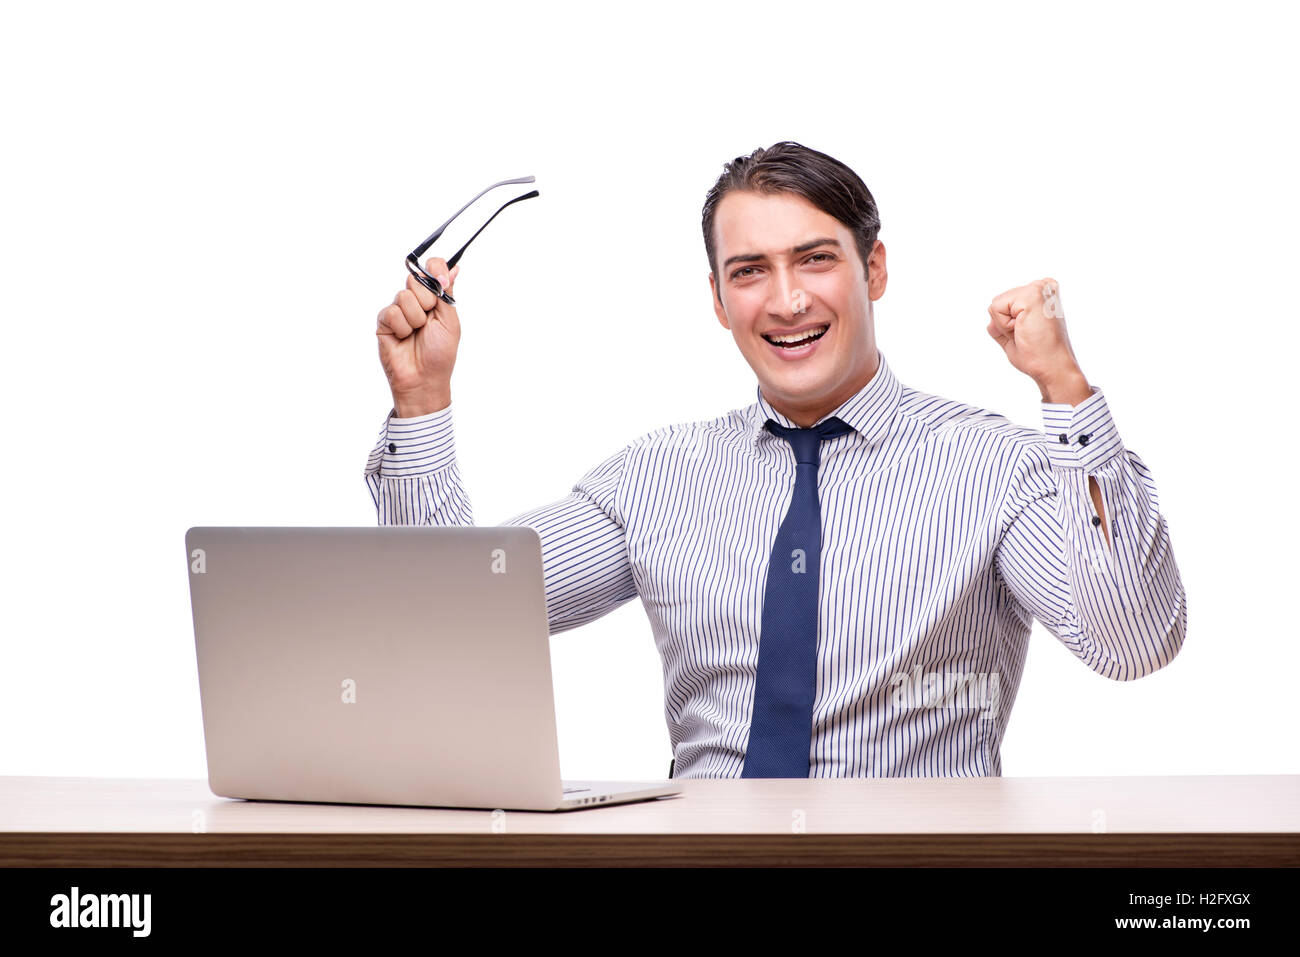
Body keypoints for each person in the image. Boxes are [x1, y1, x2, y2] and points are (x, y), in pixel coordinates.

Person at [365, 141, 1186, 779]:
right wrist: (423, 400)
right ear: (719, 302)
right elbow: (449, 615)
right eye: (751, 272)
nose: (787, 300)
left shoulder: (992, 466)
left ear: (875, 268)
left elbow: (1132, 639)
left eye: (816, 259)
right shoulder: (657, 478)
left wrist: (1064, 389)